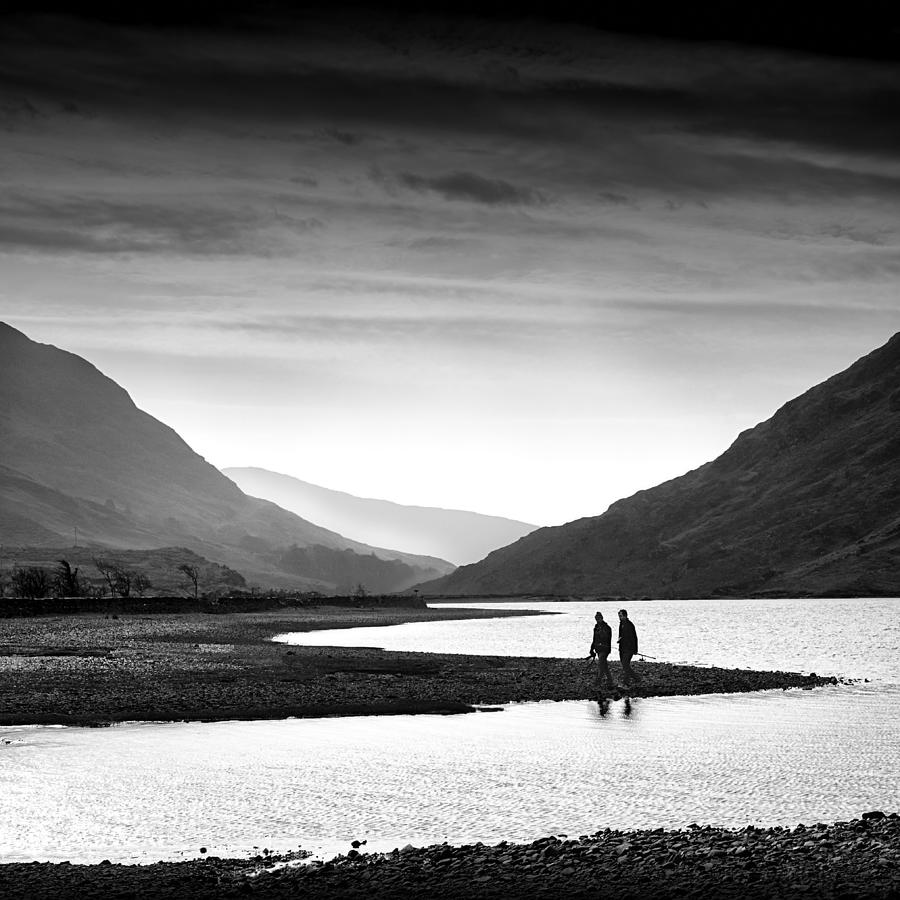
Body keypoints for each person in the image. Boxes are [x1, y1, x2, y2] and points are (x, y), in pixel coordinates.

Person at [588, 611, 614, 689]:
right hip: (598, 649)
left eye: (599, 618)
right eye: (596, 619)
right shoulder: (595, 628)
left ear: (602, 618)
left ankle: (598, 681)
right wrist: (591, 649)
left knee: (600, 664)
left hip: (605, 649)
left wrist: (601, 633)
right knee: (604, 665)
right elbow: (594, 639)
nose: (597, 620)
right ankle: (610, 681)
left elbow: (607, 638)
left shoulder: (607, 627)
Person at [617, 609, 641, 686]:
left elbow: (634, 638)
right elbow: (621, 636)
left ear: (625, 615)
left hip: (629, 649)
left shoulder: (630, 625)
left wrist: (635, 649)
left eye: (621, 616)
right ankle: (635, 679)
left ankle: (628, 681)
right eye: (619, 616)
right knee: (624, 665)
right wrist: (619, 640)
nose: (619, 617)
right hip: (622, 648)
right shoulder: (621, 624)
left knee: (625, 664)